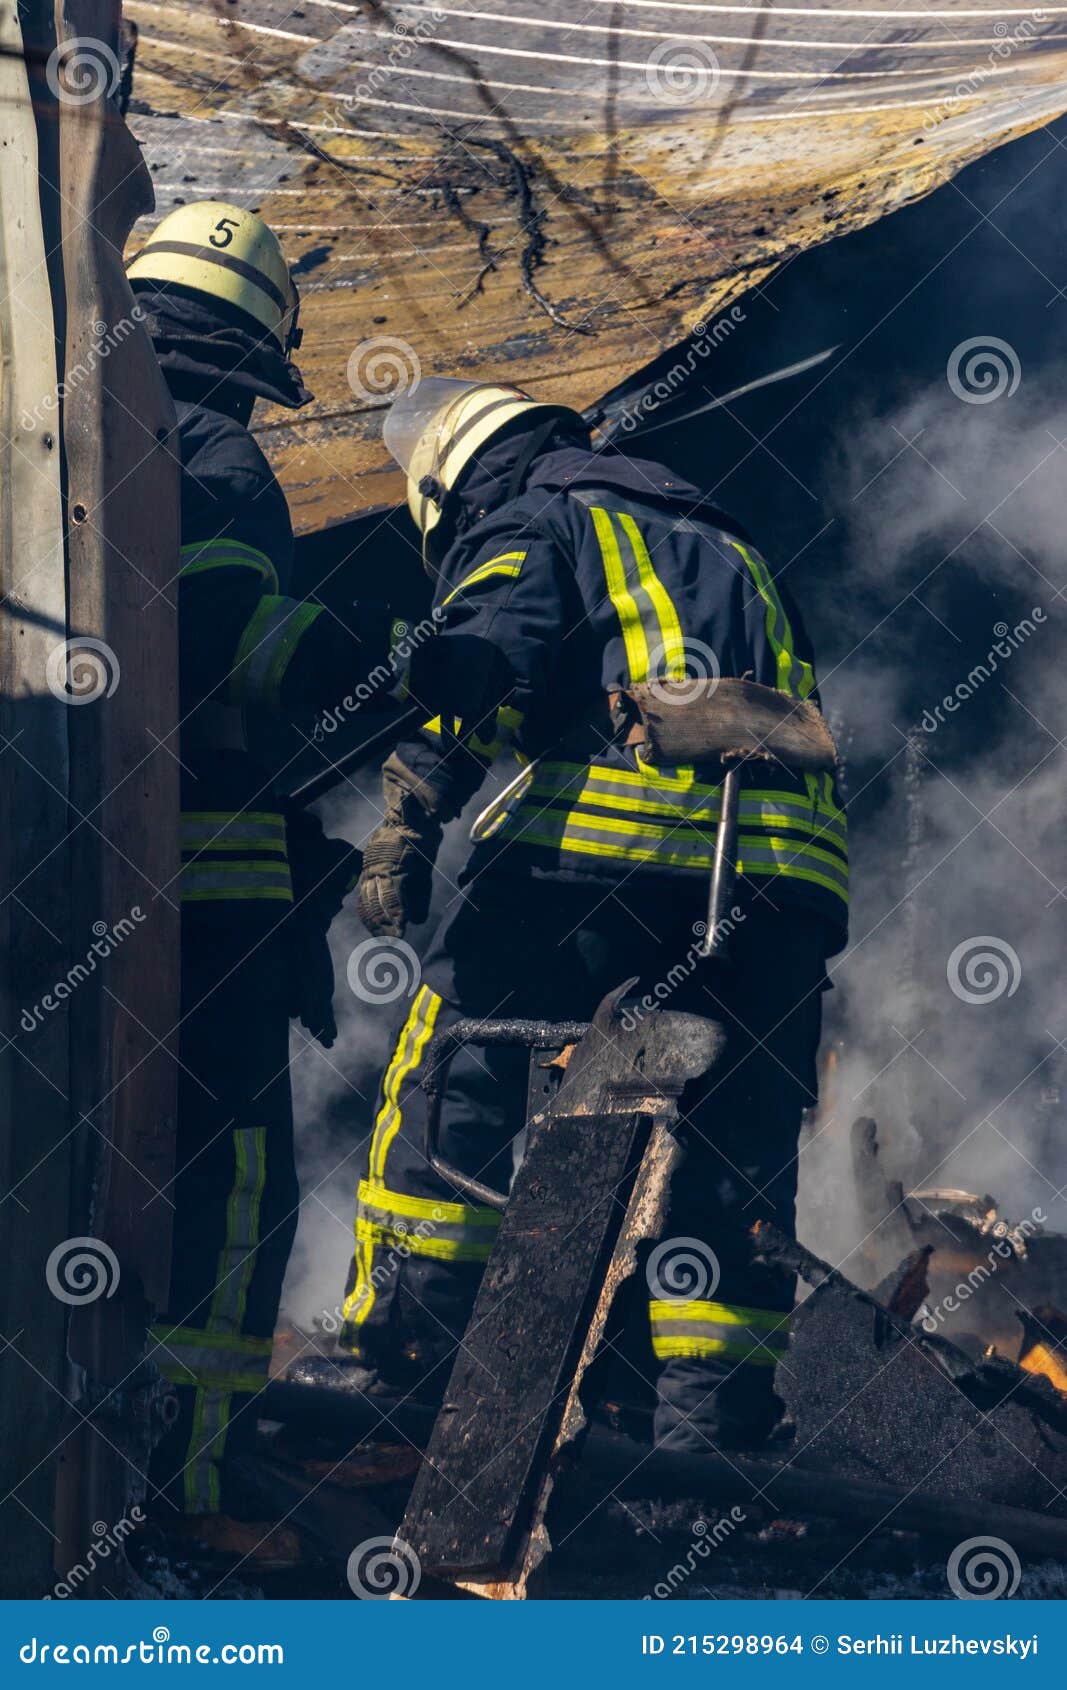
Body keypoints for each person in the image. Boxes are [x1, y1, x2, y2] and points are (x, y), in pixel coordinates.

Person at [337, 378, 848, 1453]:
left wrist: (408, 817)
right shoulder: (729, 539)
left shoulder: (539, 513)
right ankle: (707, 1455)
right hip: (780, 896)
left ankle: (401, 1371)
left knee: (452, 1086)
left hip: (596, 858)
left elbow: (481, 659)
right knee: (727, 1162)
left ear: (457, 481)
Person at [126, 200, 402, 1519]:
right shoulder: (217, 455)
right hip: (204, 897)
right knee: (229, 1186)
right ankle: (188, 1487)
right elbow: (240, 642)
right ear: (253, 339)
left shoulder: (71, 424)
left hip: (72, 891)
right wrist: (370, 649)